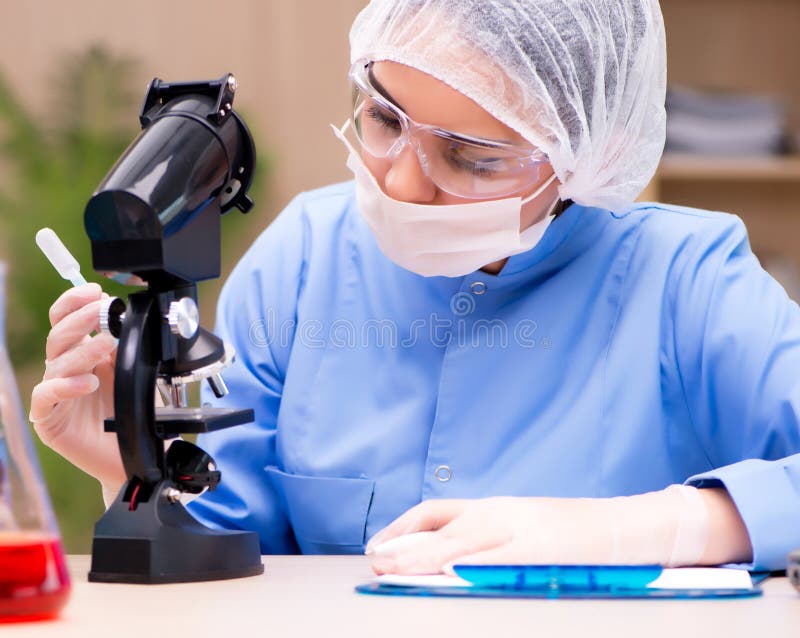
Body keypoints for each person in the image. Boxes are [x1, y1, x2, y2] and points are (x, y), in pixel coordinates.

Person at [29, 0, 800, 575]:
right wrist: (133, 466)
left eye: (470, 157)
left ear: (591, 154)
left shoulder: (685, 278)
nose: (400, 182)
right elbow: (244, 551)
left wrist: (664, 527)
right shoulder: (304, 258)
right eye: (386, 119)